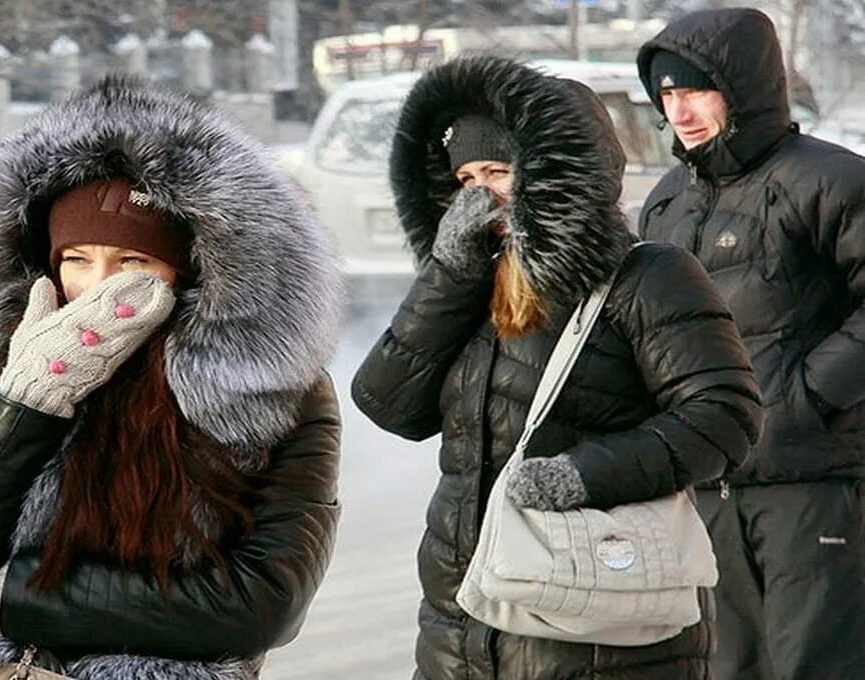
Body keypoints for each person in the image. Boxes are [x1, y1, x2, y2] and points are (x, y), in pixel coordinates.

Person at [0, 76, 344, 680]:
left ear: (188, 271)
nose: (100, 286)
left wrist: (18, 600)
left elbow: (260, 604)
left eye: (132, 261)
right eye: (76, 261)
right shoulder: (29, 362)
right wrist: (29, 398)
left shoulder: (275, 392)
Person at [352, 55, 762, 680]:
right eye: (465, 178)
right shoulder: (469, 283)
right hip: (461, 626)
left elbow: (722, 419)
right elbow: (388, 404)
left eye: (497, 171)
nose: (480, 196)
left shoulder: (649, 276)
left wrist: (581, 475)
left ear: (556, 176)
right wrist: (450, 273)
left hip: (597, 629)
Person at [635, 8, 865, 678]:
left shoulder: (832, 181)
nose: (680, 111)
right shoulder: (665, 203)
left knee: (818, 664)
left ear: (744, 87)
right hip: (708, 490)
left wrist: (805, 396)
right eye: (668, 95)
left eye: (696, 91)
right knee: (725, 667)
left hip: (814, 483)